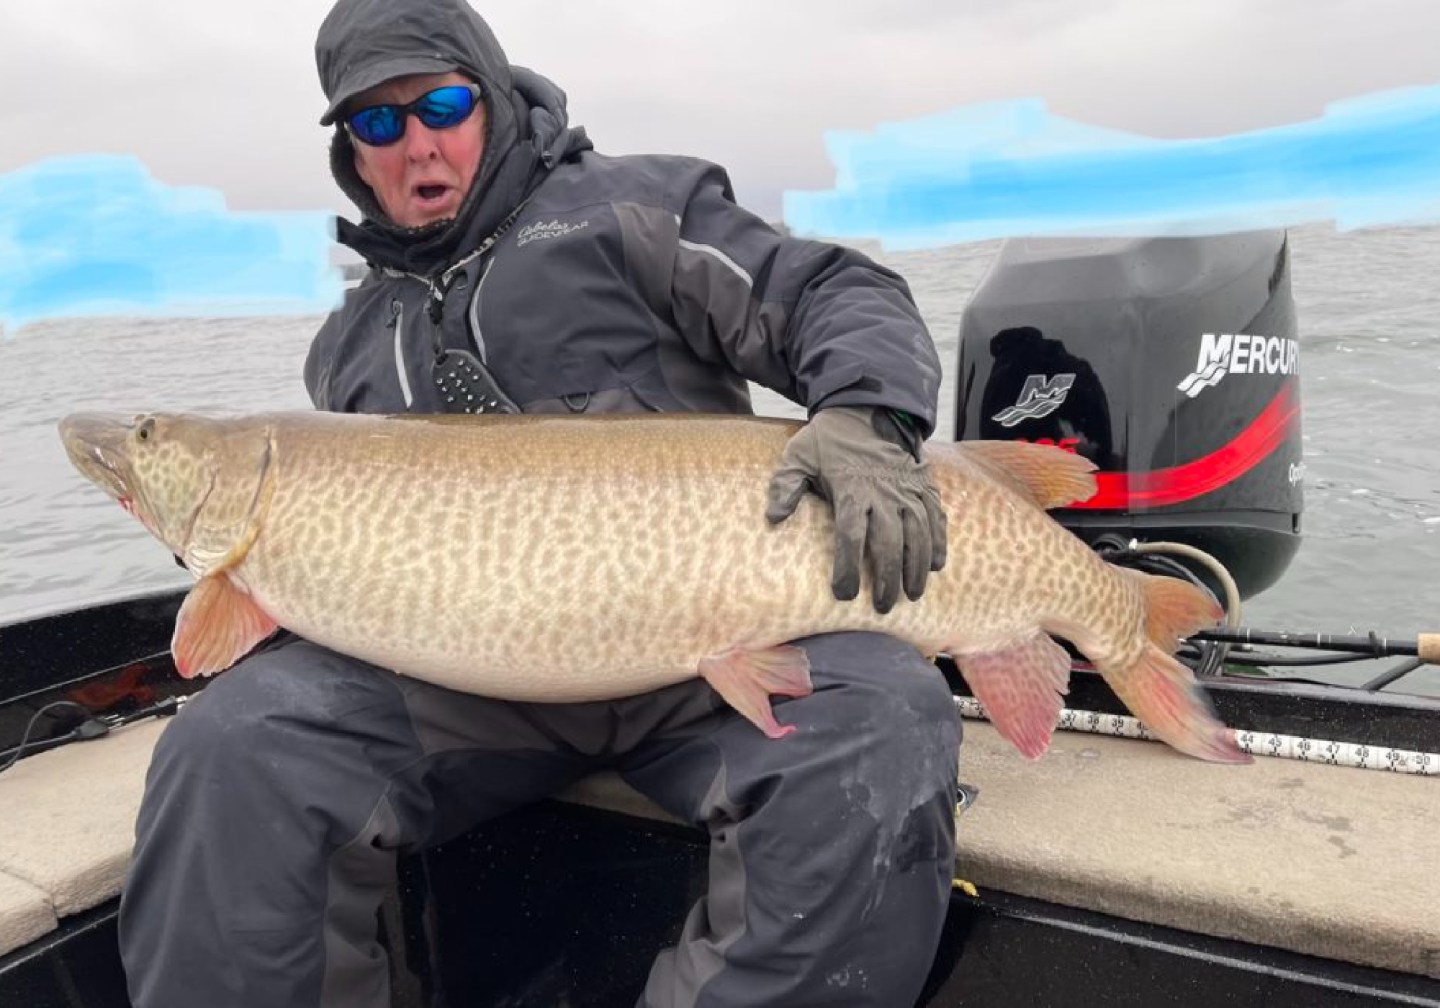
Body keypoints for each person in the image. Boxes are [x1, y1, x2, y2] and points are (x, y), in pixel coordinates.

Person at [117, 1, 962, 1005]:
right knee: (233, 751)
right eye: (378, 124)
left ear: (491, 93)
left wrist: (869, 412)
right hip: (473, 685)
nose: (416, 142)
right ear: (351, 149)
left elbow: (835, 290)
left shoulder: (634, 209)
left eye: (439, 104)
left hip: (700, 652)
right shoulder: (346, 349)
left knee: (882, 721)